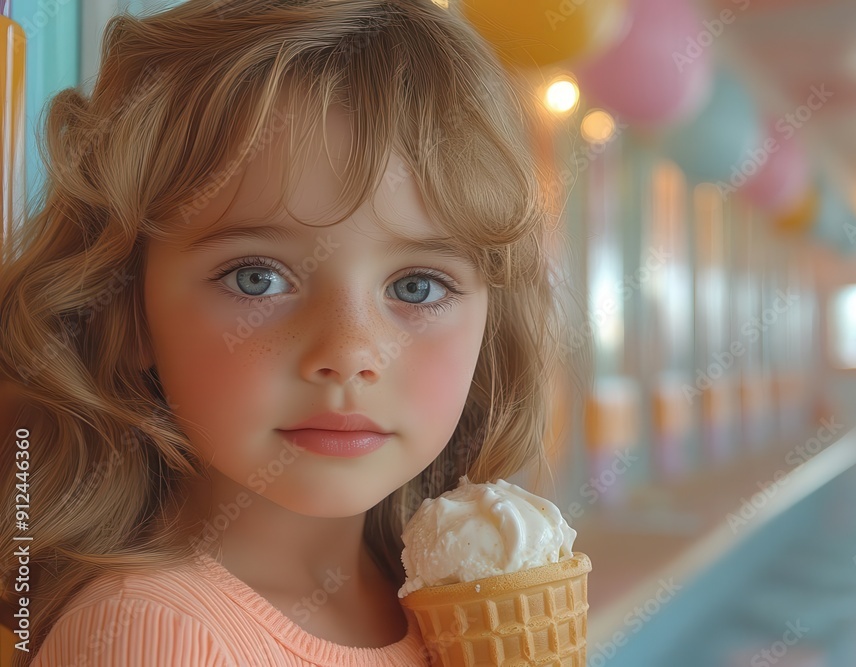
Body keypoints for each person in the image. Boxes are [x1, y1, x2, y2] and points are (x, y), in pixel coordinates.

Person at [0, 0, 585, 664]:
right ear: (127, 307)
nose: (349, 353)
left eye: (416, 285)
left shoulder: (443, 602)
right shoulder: (154, 635)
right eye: (256, 278)